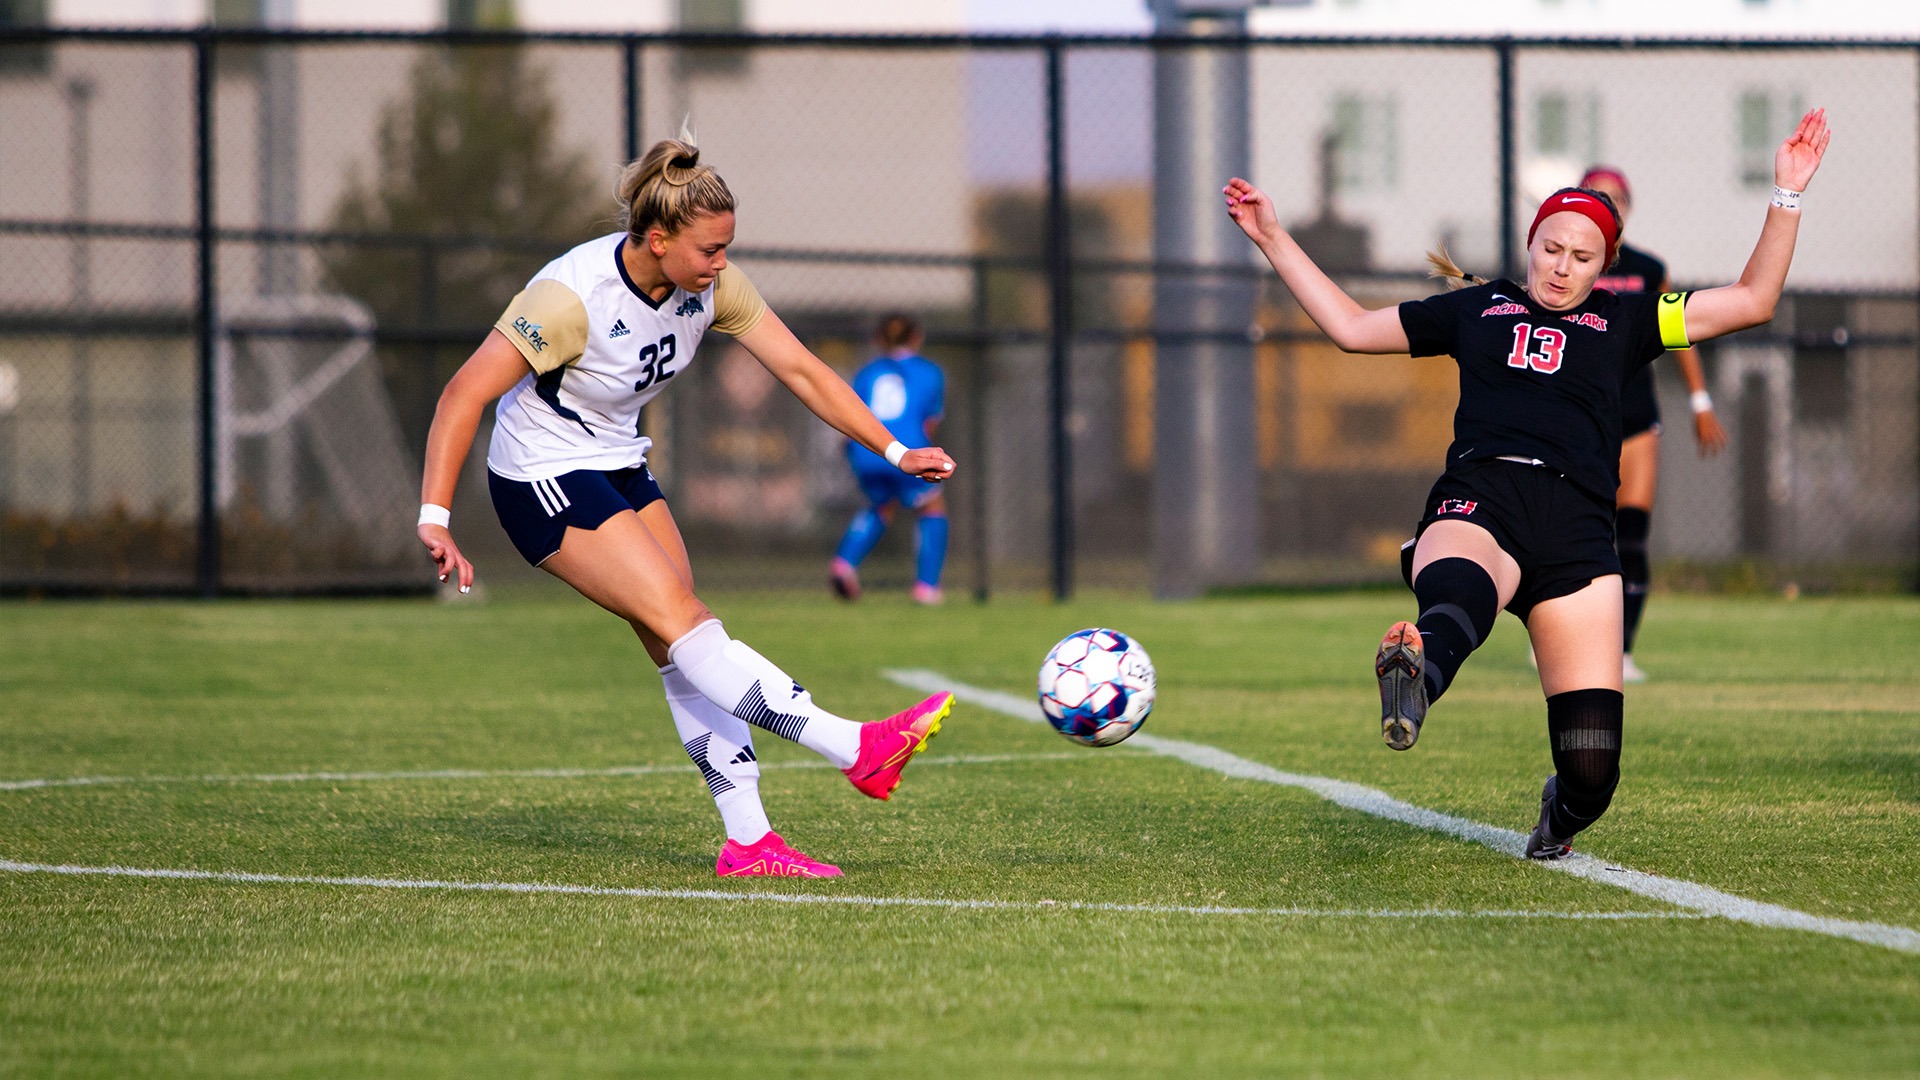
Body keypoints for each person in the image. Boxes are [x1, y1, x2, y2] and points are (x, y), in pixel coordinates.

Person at [1224, 109, 1829, 859]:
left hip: (1576, 533)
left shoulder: (1629, 319)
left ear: (1604, 265)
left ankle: (1559, 812)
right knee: (1459, 600)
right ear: (1531, 243)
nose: (1561, 266)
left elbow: (1752, 300)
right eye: (1550, 247)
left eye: (1581, 255)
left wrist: (1787, 193)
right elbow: (1350, 326)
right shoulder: (1479, 307)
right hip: (1483, 500)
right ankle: (1414, 668)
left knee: (1591, 772)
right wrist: (1273, 238)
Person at [416, 137, 959, 879]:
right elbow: (463, 395)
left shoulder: (710, 286)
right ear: (657, 238)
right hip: (540, 475)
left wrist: (897, 452)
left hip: (618, 463)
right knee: (687, 624)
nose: (721, 264)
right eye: (710, 249)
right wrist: (436, 517)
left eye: (728, 247)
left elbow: (801, 369)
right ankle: (856, 748)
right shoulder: (570, 298)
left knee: (683, 646)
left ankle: (748, 843)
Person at [1576, 166, 1730, 683]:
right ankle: (1561, 639)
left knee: (1633, 539)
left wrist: (1701, 400)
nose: (1607, 203)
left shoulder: (1646, 268)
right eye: (1596, 196)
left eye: (1614, 197)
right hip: (1579, 423)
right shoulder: (1569, 264)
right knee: (1571, 539)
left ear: (1629, 206)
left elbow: (1679, 331)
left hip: (1636, 420)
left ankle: (1620, 653)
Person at [829, 315, 949, 605]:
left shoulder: (867, 372)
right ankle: (926, 586)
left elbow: (850, 415)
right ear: (916, 337)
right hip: (906, 450)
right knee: (931, 507)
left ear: (879, 340)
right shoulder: (929, 372)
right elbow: (928, 423)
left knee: (881, 506)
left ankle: (844, 563)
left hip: (866, 451)